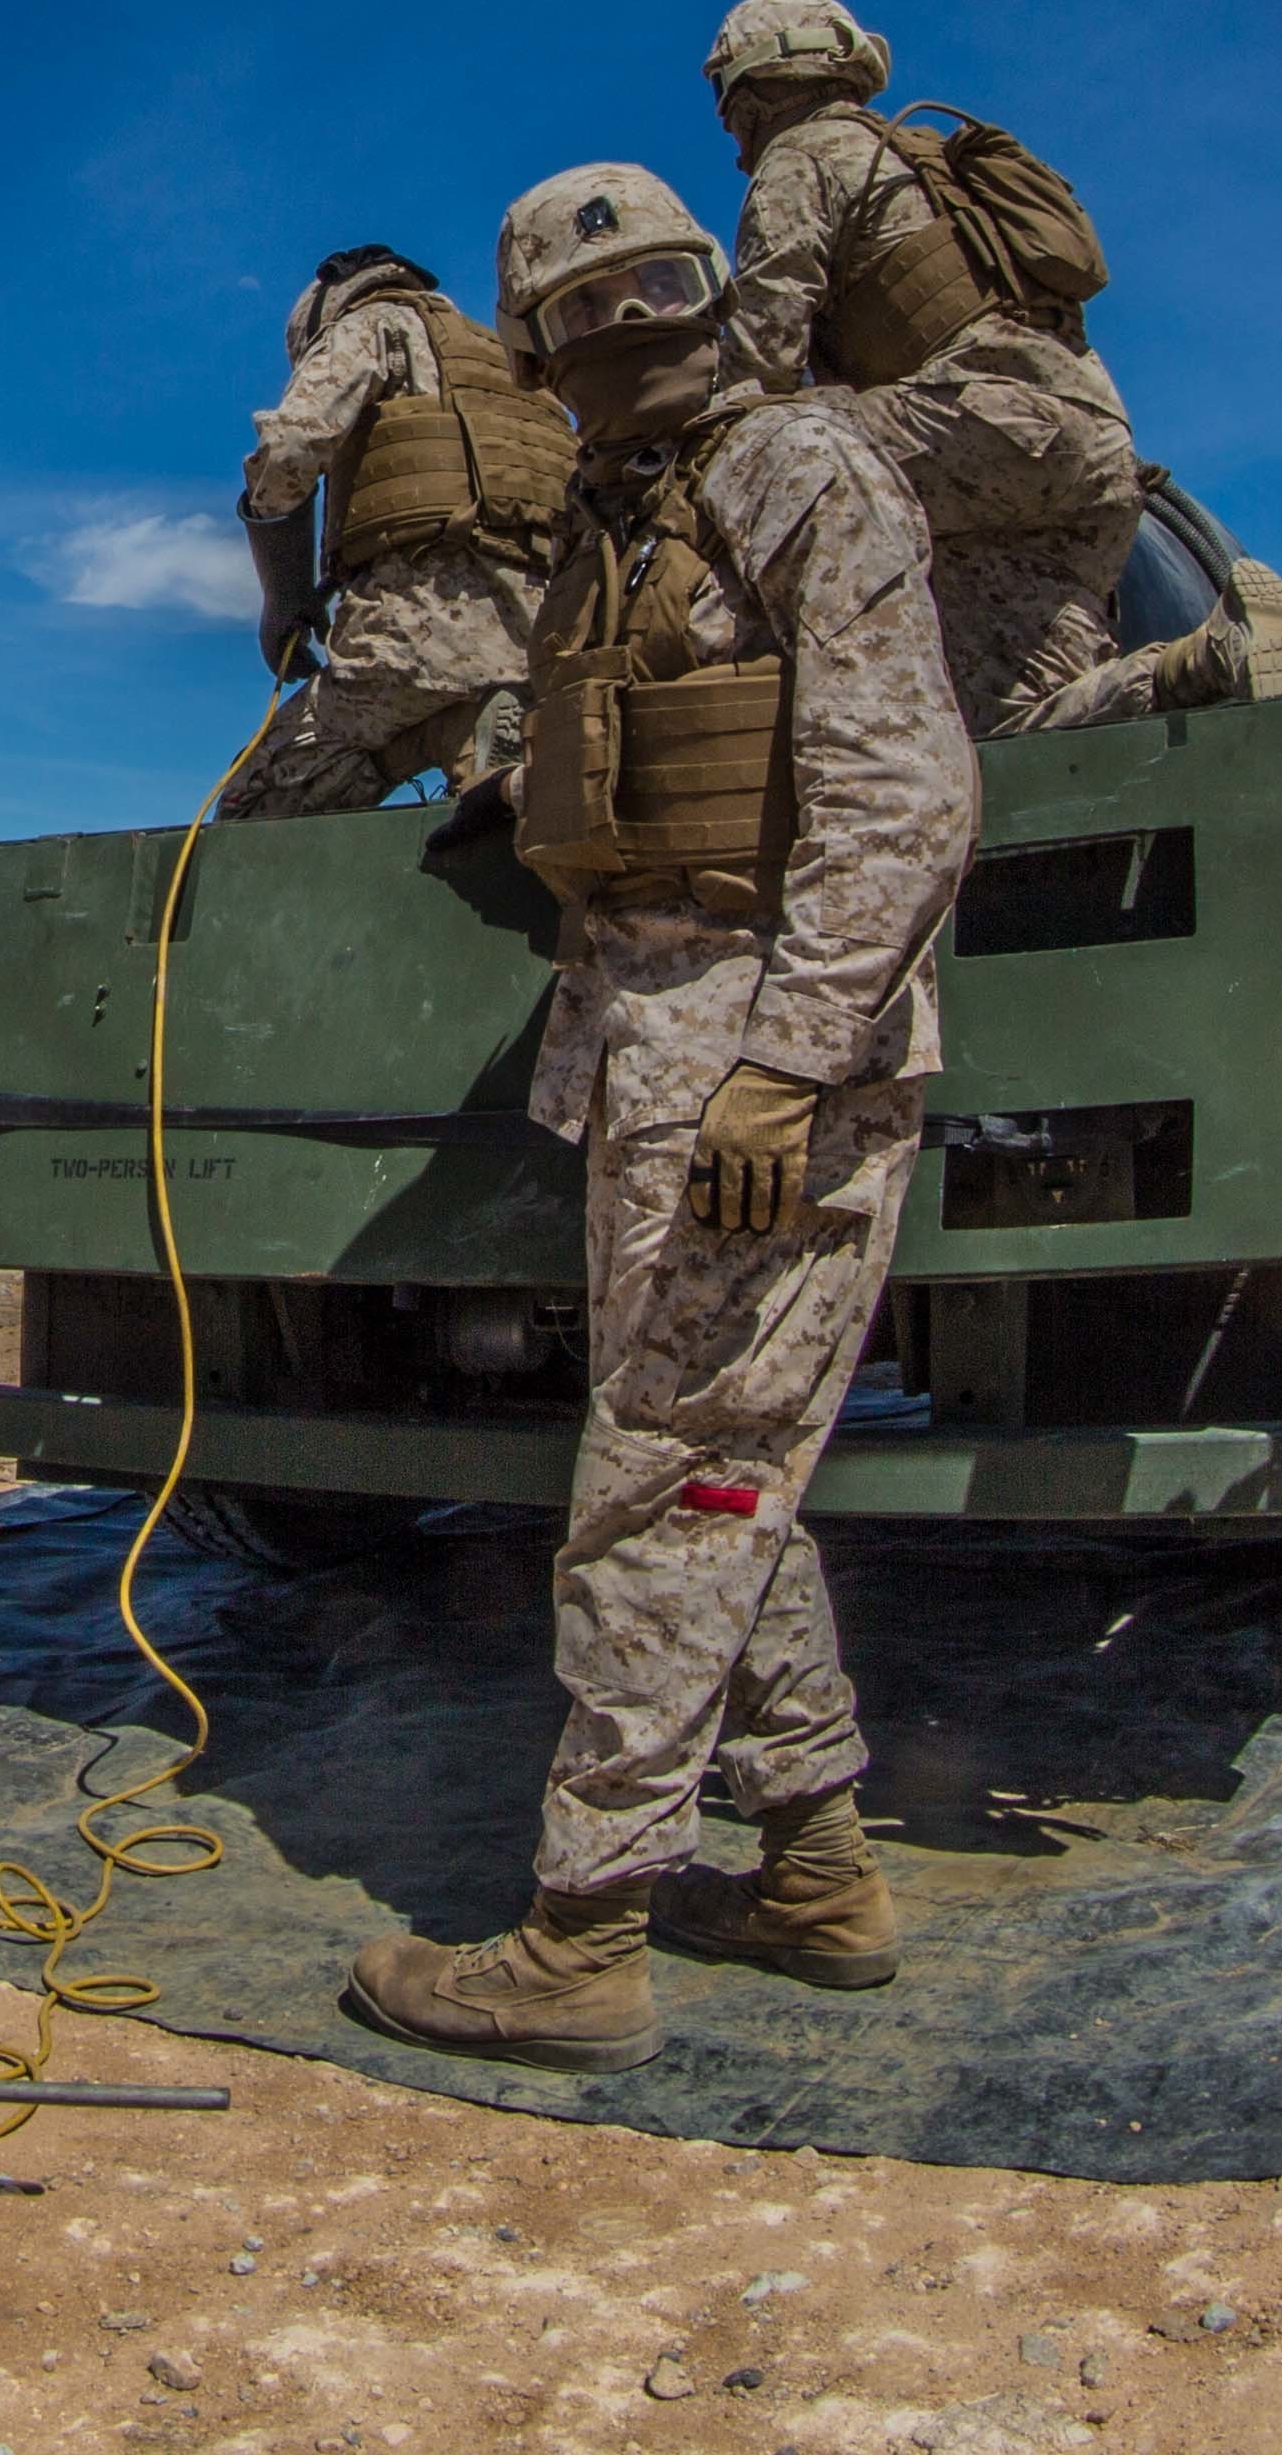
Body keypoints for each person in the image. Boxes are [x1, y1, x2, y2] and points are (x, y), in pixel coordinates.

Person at [351, 161, 974, 2073]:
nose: (621, 340)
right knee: (714, 1470)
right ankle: (812, 1868)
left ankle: (582, 1932)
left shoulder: (801, 472)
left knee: (657, 1485)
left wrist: (790, 1056)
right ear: (545, 350)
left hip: (750, 1068)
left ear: (699, 306)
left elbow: (908, 788)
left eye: (646, 305)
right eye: (591, 317)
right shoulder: (625, 518)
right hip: (653, 1051)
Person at [704, 0, 1247, 731]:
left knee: (765, 447)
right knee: (1005, 720)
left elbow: (759, 362)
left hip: (982, 424)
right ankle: (1202, 663)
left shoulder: (803, 154)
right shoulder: (917, 159)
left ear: (754, 85)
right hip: (1090, 461)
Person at [221, 244, 567, 820]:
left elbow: (287, 452)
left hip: (410, 639)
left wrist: (283, 597)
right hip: (542, 644)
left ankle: (433, 738)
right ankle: (464, 742)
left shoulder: (369, 325)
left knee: (249, 808)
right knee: (485, 789)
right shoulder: (514, 366)